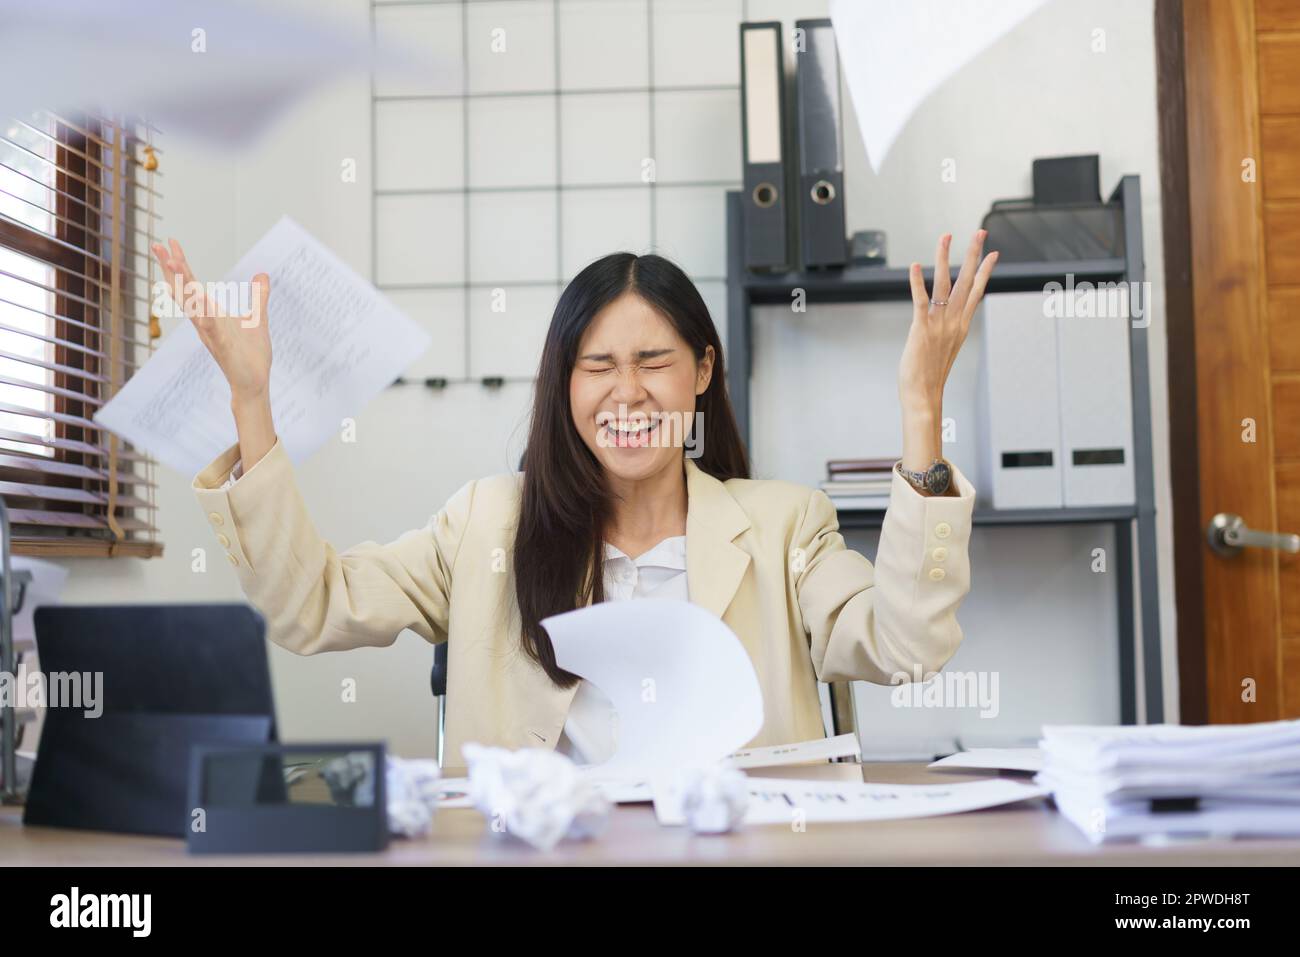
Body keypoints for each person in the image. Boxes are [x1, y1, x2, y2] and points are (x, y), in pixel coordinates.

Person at [155, 231, 997, 766]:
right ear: (565, 385)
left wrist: (922, 409)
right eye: (597, 365)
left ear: (702, 372)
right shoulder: (490, 521)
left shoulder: (785, 525)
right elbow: (313, 606)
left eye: (653, 361)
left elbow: (906, 646)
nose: (625, 392)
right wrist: (251, 401)